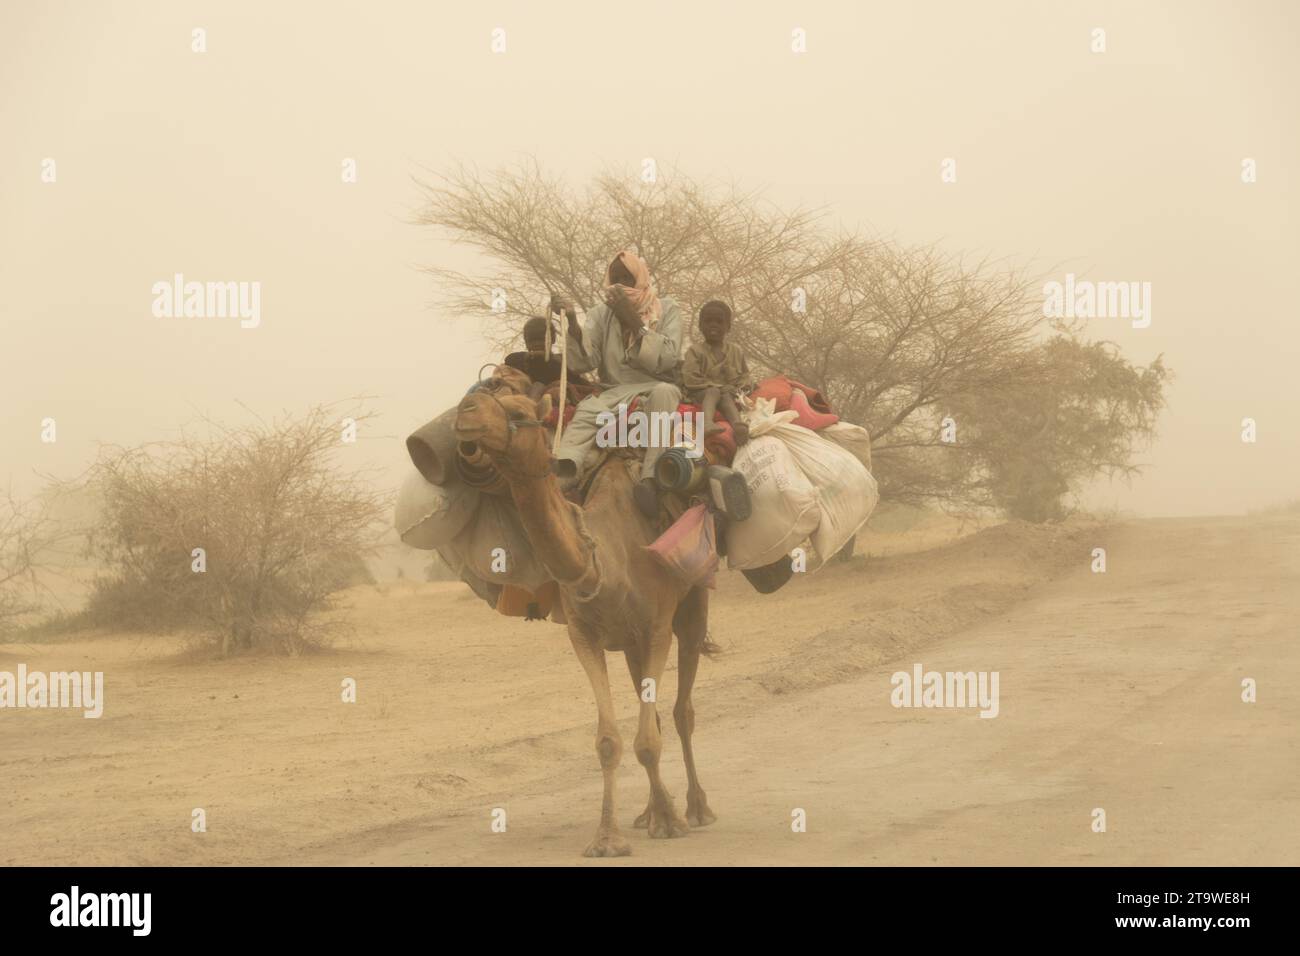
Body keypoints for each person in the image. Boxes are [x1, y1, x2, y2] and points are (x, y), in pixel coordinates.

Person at [551, 251, 683, 518]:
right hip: (612, 392)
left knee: (666, 393)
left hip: (653, 385)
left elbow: (667, 358)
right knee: (585, 414)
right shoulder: (601, 314)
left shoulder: (667, 308)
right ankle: (564, 475)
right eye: (616, 278)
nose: (621, 284)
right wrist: (573, 322)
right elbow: (586, 361)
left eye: (627, 277)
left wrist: (632, 320)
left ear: (639, 278)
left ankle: (649, 478)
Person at [682, 300, 751, 446]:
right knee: (714, 392)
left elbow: (745, 376)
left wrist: (738, 389)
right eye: (708, 321)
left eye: (719, 322)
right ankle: (707, 423)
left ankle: (738, 426)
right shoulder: (694, 351)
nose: (714, 325)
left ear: (728, 327)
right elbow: (690, 379)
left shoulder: (736, 351)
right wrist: (717, 387)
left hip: (728, 394)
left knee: (725, 396)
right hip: (701, 393)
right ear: (700, 326)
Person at [502, 316, 565, 398]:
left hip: (549, 399)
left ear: (553, 339)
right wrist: (531, 355)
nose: (537, 344)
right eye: (532, 340)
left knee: (538, 386)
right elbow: (509, 359)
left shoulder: (561, 360)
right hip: (521, 398)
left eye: (542, 340)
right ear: (525, 341)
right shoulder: (520, 359)